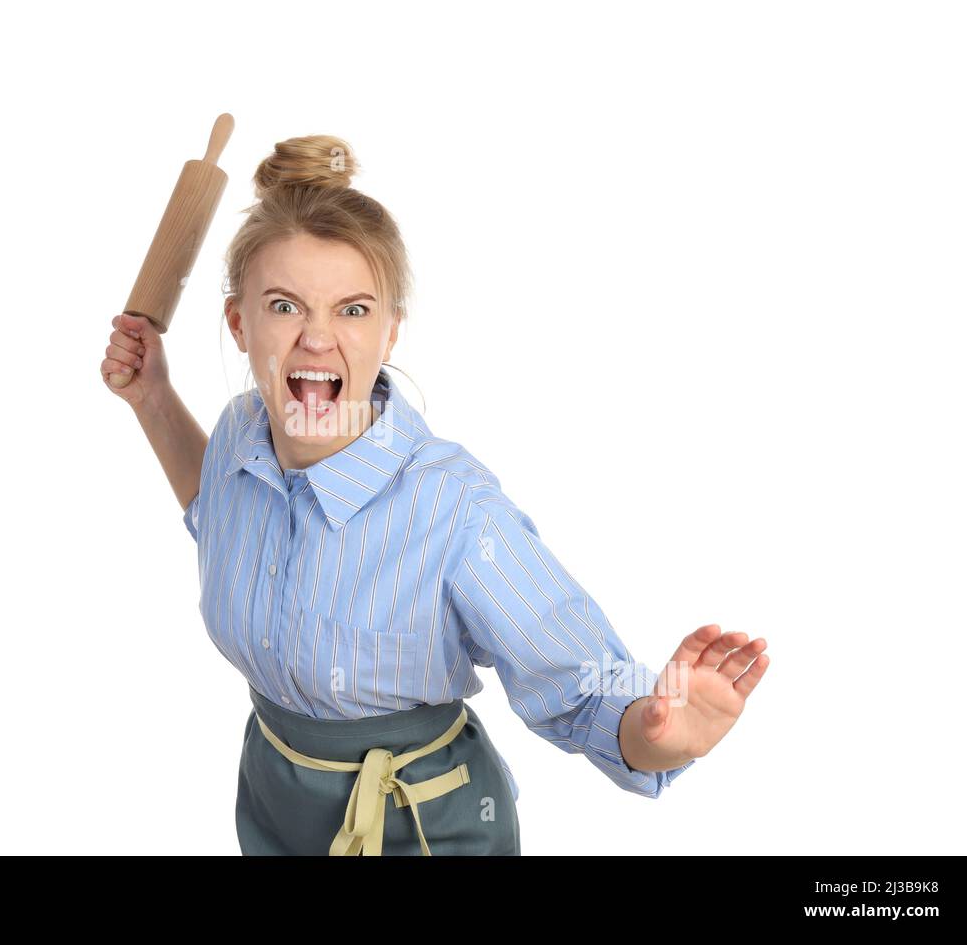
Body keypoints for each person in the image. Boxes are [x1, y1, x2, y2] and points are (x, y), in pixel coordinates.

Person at [100, 135, 770, 855]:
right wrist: (154, 399)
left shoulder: (454, 513)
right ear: (240, 323)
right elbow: (225, 516)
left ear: (390, 331)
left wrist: (659, 732)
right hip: (274, 803)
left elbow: (586, 693)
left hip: (425, 826)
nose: (318, 339)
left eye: (353, 310)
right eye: (286, 305)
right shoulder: (240, 437)